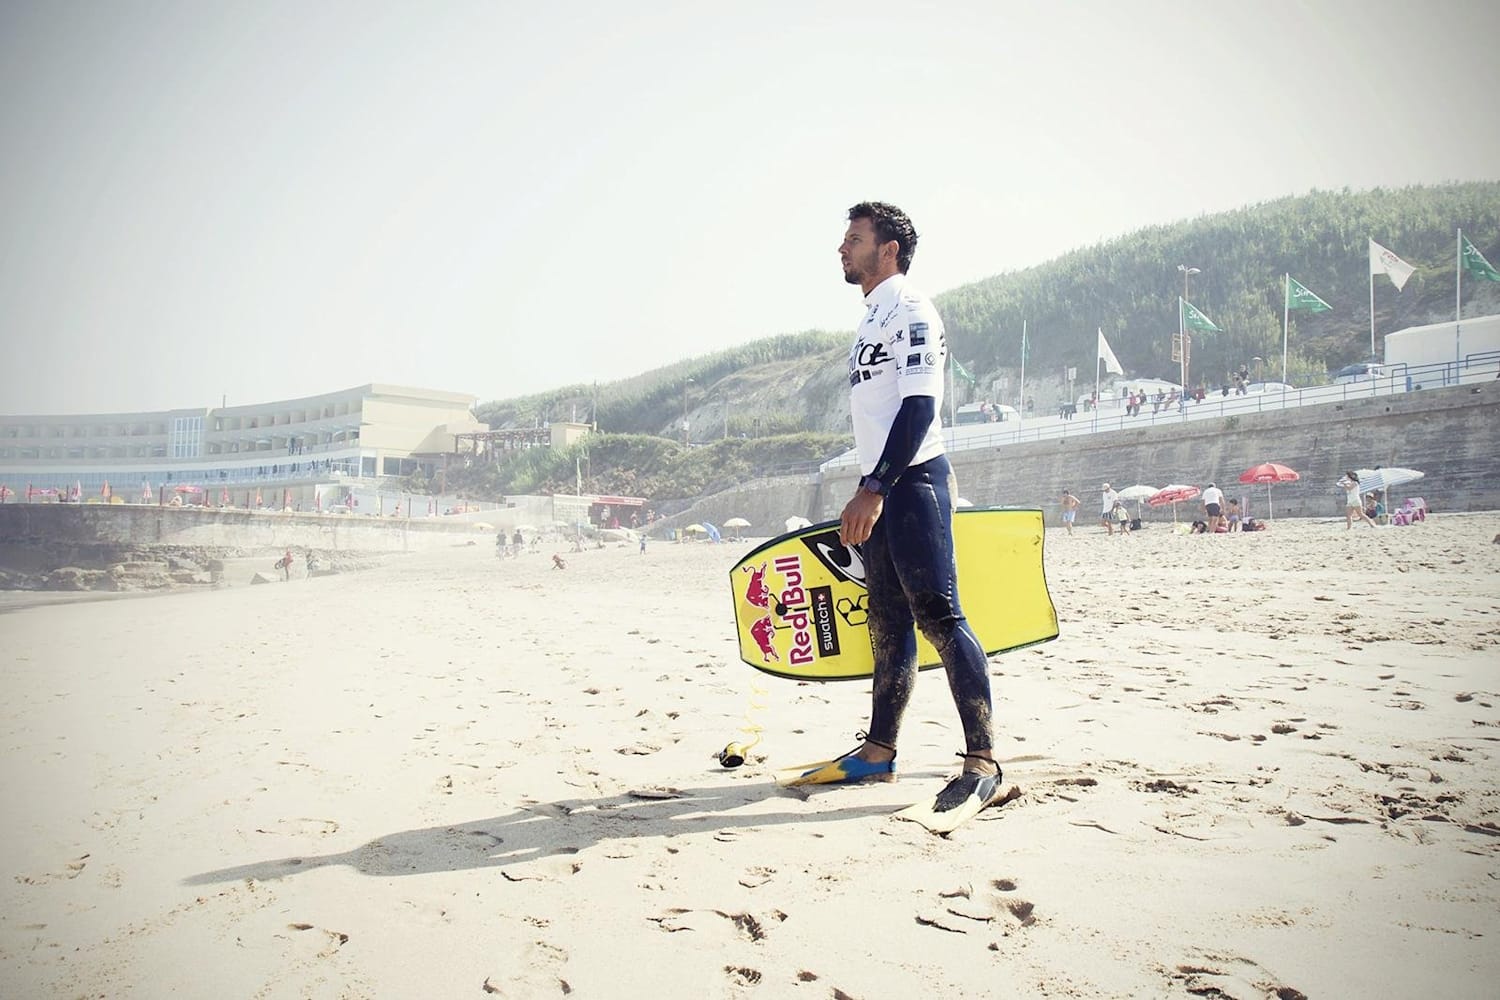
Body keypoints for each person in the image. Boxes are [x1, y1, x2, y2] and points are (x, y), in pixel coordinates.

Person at [819, 200, 1001, 816]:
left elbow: (920, 409)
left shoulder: (913, 311)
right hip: (885, 485)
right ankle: (879, 752)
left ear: (888, 249)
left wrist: (874, 486)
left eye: (854, 239)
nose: (842, 250)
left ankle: (982, 761)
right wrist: (872, 484)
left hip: (915, 481)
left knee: (940, 617)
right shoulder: (871, 320)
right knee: (888, 624)